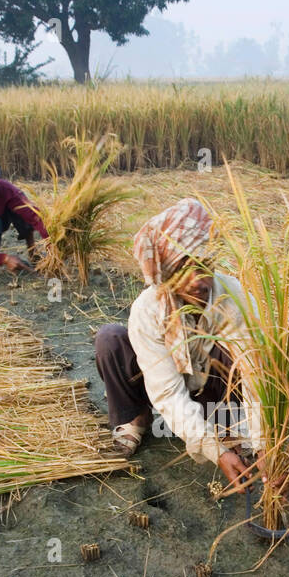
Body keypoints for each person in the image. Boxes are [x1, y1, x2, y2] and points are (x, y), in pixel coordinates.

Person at [94, 198, 264, 493]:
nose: (199, 281)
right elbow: (169, 393)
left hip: (211, 389)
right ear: (167, 274)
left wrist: (264, 444)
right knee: (110, 339)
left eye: (203, 265)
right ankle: (136, 417)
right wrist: (216, 452)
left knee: (234, 351)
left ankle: (230, 425)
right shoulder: (148, 310)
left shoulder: (234, 296)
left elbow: (255, 376)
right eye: (184, 269)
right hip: (172, 383)